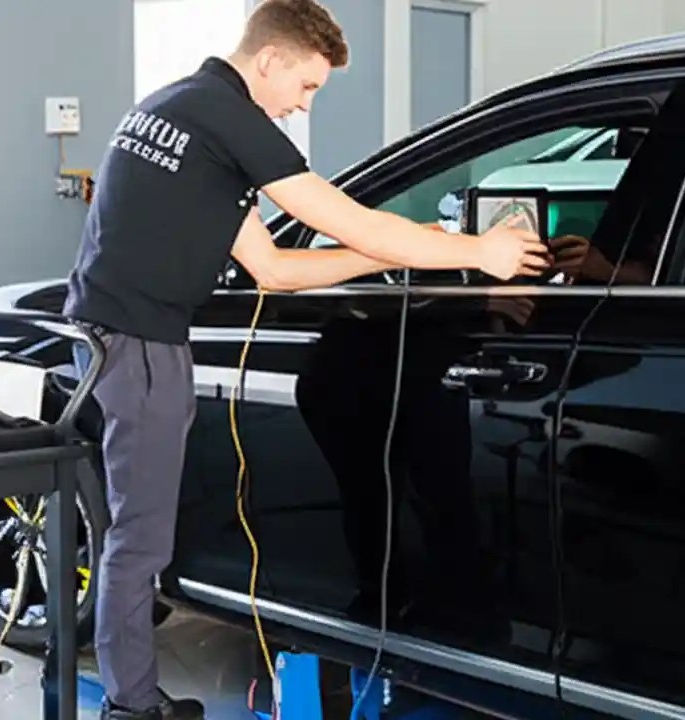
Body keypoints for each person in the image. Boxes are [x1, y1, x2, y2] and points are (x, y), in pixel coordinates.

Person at [62, 1, 547, 718]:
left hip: (116, 339)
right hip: (138, 348)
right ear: (270, 61)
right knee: (140, 542)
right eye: (307, 87)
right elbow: (340, 215)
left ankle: (132, 697)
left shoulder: (177, 108)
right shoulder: (229, 117)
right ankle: (132, 708)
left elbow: (274, 269)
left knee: (137, 535)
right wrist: (478, 252)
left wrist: (395, 247)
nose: (299, 106)